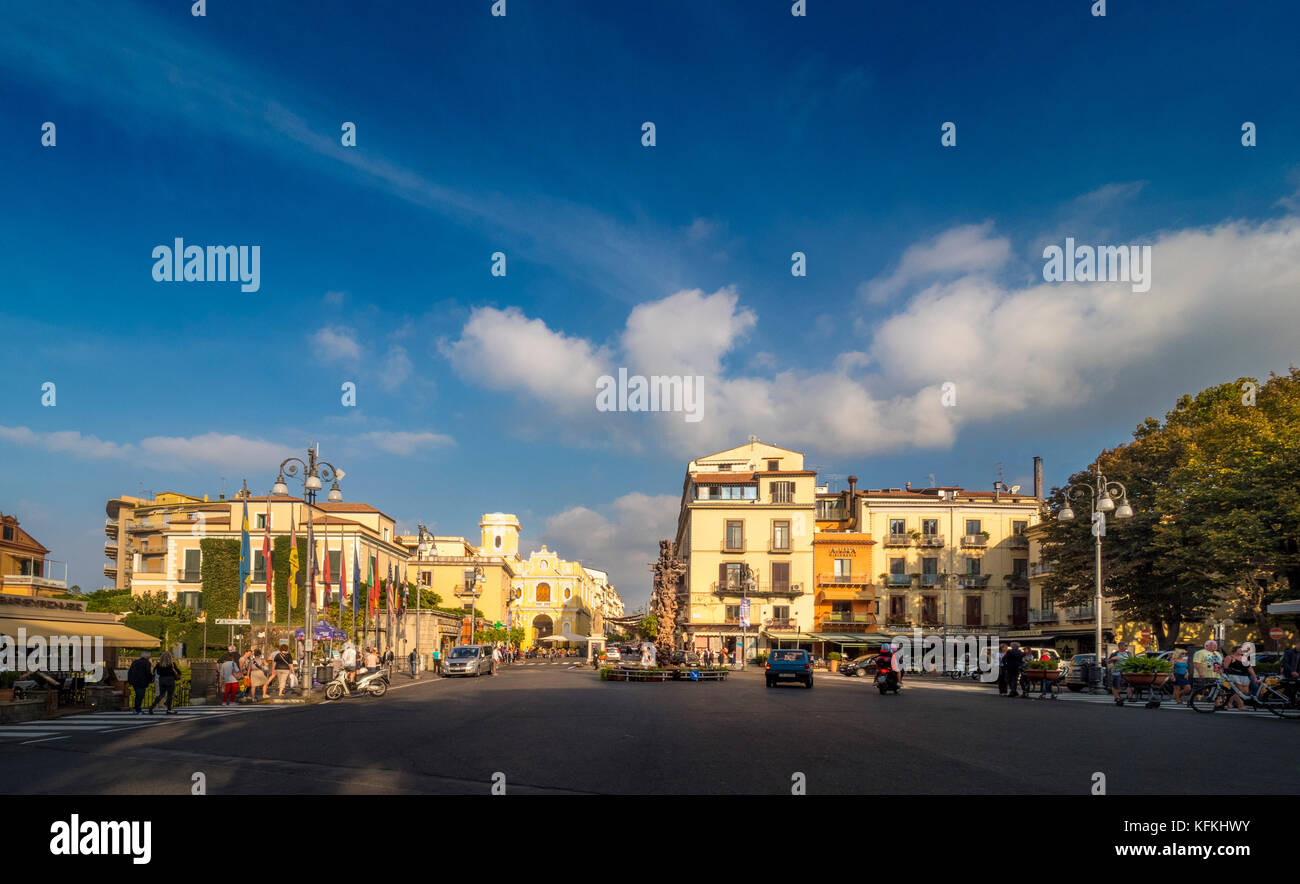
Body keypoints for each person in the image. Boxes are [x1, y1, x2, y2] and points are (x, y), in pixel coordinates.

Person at [1223, 645, 1255, 710]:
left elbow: (1249, 668)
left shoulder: (1244, 658)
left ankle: (1229, 702)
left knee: (1245, 692)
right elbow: (1225, 668)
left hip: (1245, 676)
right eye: (1240, 649)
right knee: (1239, 691)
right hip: (1234, 676)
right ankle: (1241, 705)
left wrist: (1254, 677)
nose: (1242, 651)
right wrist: (1226, 677)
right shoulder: (1229, 657)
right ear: (1235, 650)